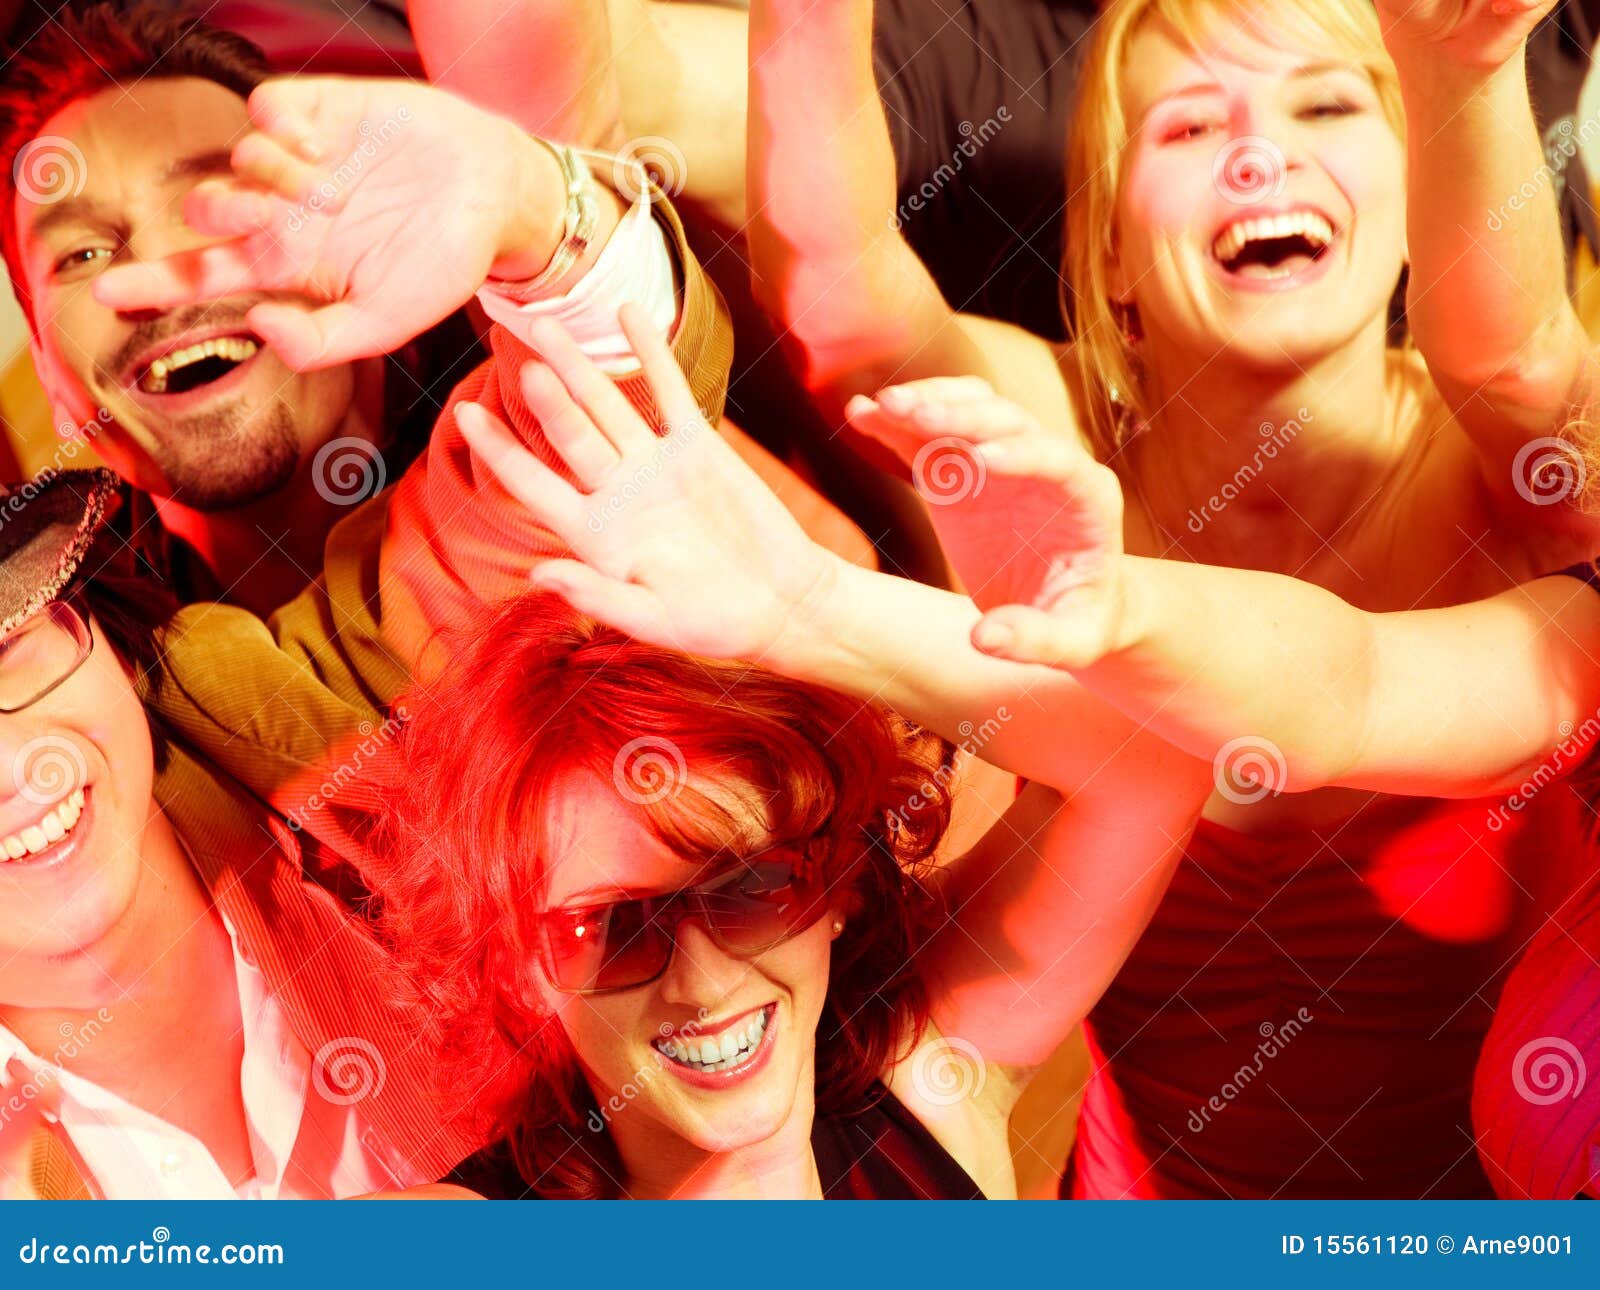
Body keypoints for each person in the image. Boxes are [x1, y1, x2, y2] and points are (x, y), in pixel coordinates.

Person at [737, 0, 1600, 1197]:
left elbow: (1513, 358)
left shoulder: (1513, 479)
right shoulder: (1048, 444)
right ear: (1108, 256)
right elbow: (835, 293)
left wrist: (1458, 67)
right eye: (1191, 127)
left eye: (1325, 105)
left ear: (1416, 198)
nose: (1258, 154)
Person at [0, 3, 865, 614]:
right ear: (47, 372)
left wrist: (535, 213)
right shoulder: (83, 651)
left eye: (216, 206)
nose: (166, 274)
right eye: (83, 255)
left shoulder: (526, 381)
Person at [0, 469, 480, 1199]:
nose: (17, 768)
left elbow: (530, 491)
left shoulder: (285, 710)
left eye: (7, 650)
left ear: (99, 633)